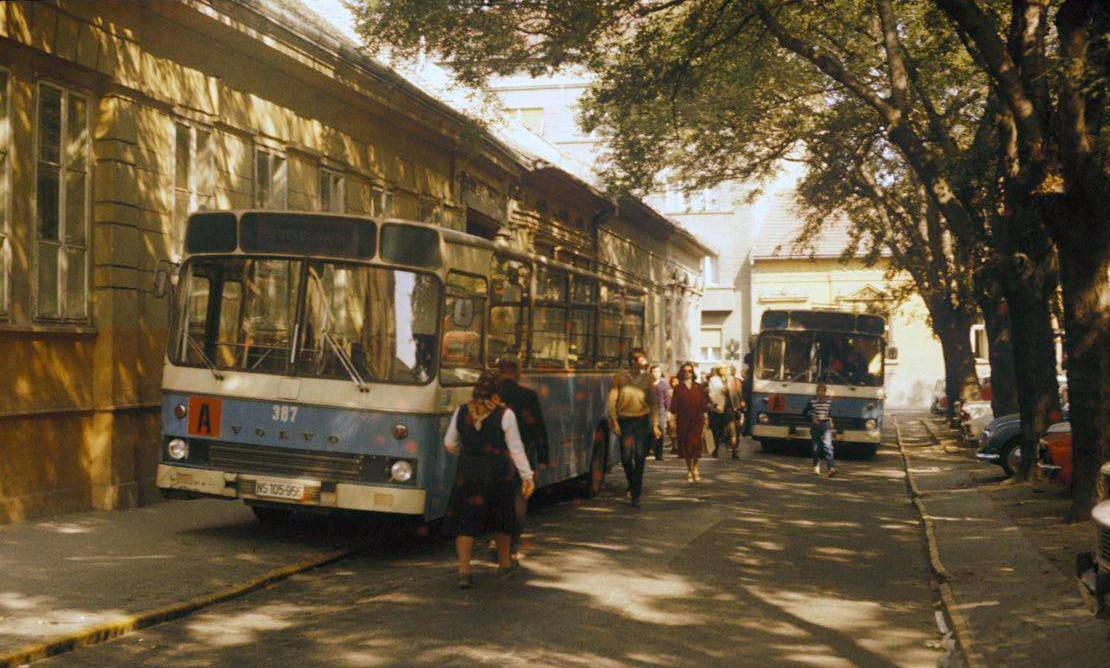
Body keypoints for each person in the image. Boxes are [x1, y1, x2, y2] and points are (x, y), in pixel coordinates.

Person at [444, 373, 536, 589]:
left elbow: (449, 443)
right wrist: (526, 475)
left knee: (464, 522)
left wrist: (468, 453)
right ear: (497, 392)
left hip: (467, 475)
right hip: (498, 474)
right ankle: (504, 564)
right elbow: (515, 448)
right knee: (501, 519)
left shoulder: (461, 411)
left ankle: (464, 571)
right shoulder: (506, 414)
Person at [496, 357, 548, 559]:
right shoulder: (528, 396)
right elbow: (538, 427)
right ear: (518, 374)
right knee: (519, 500)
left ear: (499, 372)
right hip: (521, 454)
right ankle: (513, 546)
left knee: (498, 499)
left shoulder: (492, 395)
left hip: (496, 454)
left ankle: (496, 541)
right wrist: (543, 456)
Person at [607, 348, 660, 507]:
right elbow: (612, 401)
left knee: (640, 457)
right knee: (626, 458)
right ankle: (632, 482)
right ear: (633, 361)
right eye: (642, 359)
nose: (645, 361)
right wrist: (615, 422)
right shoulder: (620, 378)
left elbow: (653, 402)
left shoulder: (648, 378)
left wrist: (655, 425)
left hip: (642, 421)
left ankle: (636, 493)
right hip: (626, 421)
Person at [670, 362, 709, 481]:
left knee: (696, 445)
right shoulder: (678, 388)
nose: (687, 373)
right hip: (683, 421)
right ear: (681, 373)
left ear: (693, 373)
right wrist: (671, 420)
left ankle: (695, 467)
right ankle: (688, 469)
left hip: (697, 420)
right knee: (686, 446)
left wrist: (706, 418)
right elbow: (673, 407)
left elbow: (704, 404)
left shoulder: (699, 387)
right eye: (685, 371)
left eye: (690, 371)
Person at [803, 383, 837, 477]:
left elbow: (829, 413)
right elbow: (804, 413)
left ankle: (831, 468)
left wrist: (831, 421)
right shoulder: (812, 402)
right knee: (816, 447)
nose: (821, 393)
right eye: (819, 391)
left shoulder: (829, 402)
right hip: (815, 425)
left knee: (828, 446)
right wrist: (812, 418)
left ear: (825, 392)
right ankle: (816, 467)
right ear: (817, 392)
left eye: (822, 391)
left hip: (825, 425)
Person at [706, 366, 729, 457]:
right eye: (722, 369)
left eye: (725, 369)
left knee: (722, 430)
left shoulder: (728, 380)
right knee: (715, 430)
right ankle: (714, 450)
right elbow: (712, 393)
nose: (724, 371)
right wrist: (715, 404)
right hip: (716, 408)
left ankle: (721, 446)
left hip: (726, 408)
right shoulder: (713, 380)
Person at [650, 364, 670, 461]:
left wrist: (668, 412)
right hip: (649, 409)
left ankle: (659, 453)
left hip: (660, 409)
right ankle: (651, 449)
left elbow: (667, 399)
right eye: (654, 371)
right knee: (650, 430)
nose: (656, 374)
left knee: (660, 430)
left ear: (660, 373)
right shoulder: (648, 384)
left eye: (658, 372)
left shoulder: (663, 384)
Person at [725, 364, 744, 459]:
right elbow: (741, 396)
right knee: (736, 431)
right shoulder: (738, 381)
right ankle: (735, 450)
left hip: (728, 409)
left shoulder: (724, 381)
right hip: (737, 409)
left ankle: (733, 450)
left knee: (732, 432)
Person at [740, 353, 754, 436]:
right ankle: (747, 429)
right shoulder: (749, 373)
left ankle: (747, 429)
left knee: (748, 413)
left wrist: (744, 399)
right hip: (748, 397)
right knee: (747, 413)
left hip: (748, 397)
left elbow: (746, 387)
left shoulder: (750, 375)